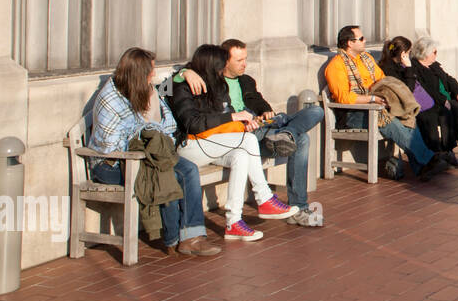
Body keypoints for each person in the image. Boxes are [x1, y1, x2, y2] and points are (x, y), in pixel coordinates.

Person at [176, 39, 325, 227]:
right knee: (293, 139)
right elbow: (195, 117)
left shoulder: (244, 81)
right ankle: (271, 201)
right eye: (239, 60)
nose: (244, 64)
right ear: (223, 62)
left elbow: (257, 101)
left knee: (314, 114)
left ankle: (237, 221)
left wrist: (265, 113)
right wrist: (184, 72)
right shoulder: (206, 83)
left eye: (245, 59)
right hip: (225, 138)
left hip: (256, 128)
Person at [87, 48, 220, 256]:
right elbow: (109, 147)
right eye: (151, 70)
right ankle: (173, 238)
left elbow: (166, 91)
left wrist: (185, 73)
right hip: (110, 165)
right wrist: (146, 137)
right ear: (139, 73)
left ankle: (193, 236)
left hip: (150, 155)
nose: (154, 74)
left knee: (189, 170)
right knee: (166, 174)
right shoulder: (111, 99)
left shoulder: (147, 89)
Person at [325, 26, 446, 179]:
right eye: (361, 38)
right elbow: (344, 97)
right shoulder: (336, 65)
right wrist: (372, 99)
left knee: (407, 118)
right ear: (350, 42)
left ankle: (421, 167)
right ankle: (428, 159)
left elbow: (382, 79)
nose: (365, 41)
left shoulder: (366, 59)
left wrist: (388, 96)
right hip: (351, 114)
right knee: (388, 121)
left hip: (376, 107)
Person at [408, 36, 458, 159]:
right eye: (434, 52)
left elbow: (449, 79)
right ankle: (446, 149)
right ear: (424, 54)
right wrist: (444, 101)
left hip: (445, 99)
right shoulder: (416, 68)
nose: (436, 54)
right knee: (445, 113)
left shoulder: (434, 65)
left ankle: (452, 143)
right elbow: (427, 91)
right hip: (431, 103)